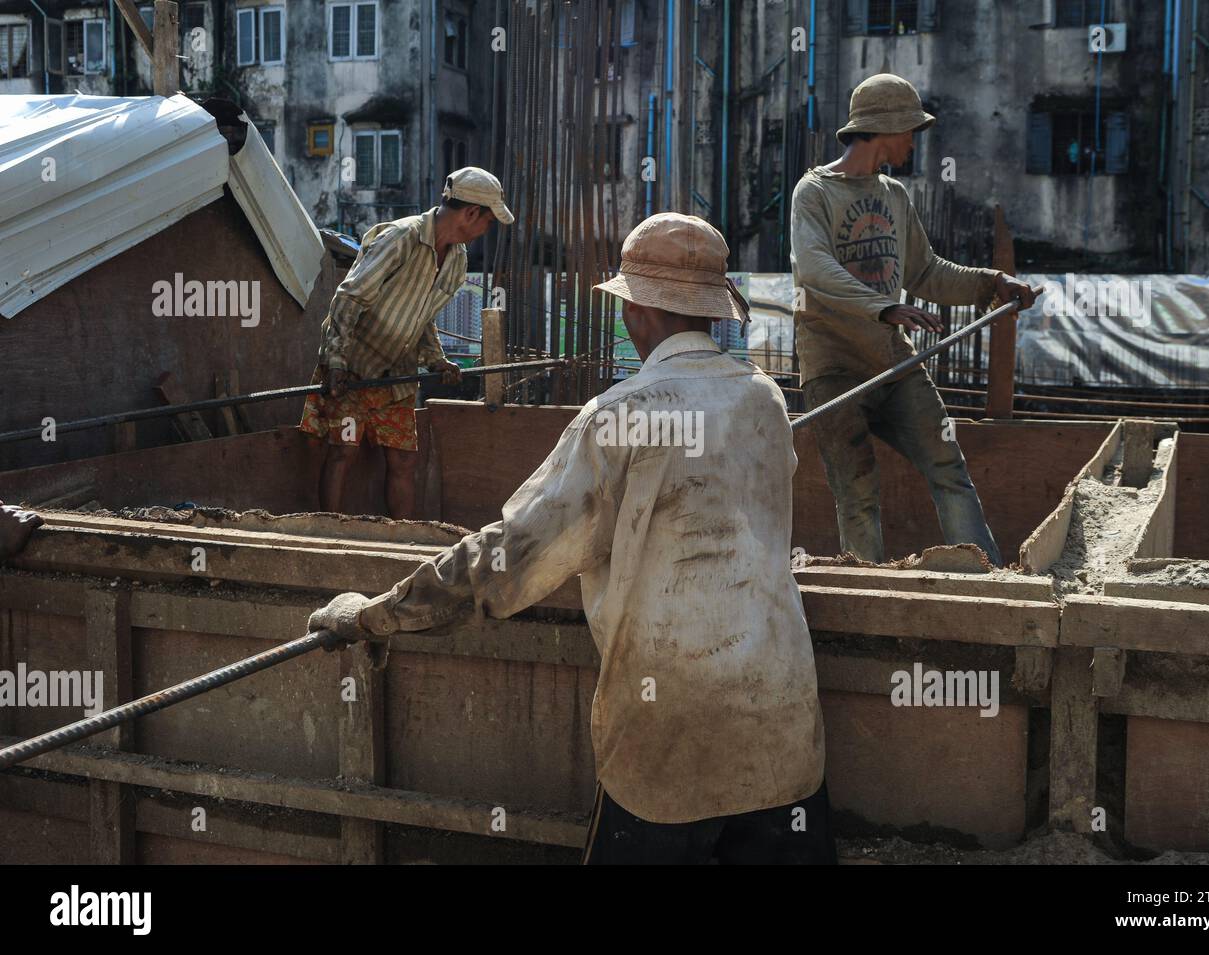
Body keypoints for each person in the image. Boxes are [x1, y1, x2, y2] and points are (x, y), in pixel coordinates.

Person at [308, 213, 835, 865]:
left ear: (637, 311)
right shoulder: (764, 400)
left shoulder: (621, 416)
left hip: (668, 750)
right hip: (783, 736)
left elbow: (506, 562)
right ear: (710, 311)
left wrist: (373, 614)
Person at [790, 72, 1039, 565]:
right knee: (857, 492)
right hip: (834, 370)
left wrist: (992, 282)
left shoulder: (894, 196)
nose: (912, 142)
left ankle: (983, 577)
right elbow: (813, 268)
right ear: (885, 129)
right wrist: (882, 306)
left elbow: (925, 272)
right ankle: (869, 593)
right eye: (909, 132)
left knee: (948, 464)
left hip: (892, 365)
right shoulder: (813, 192)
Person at [300, 167, 514, 519]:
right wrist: (335, 361)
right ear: (471, 213)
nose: (486, 231)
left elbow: (422, 317)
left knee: (403, 459)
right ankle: (330, 531)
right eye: (488, 222)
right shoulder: (402, 237)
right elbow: (349, 298)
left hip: (396, 375)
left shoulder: (457, 259)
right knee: (344, 450)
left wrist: (436, 361)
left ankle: (404, 539)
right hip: (354, 367)